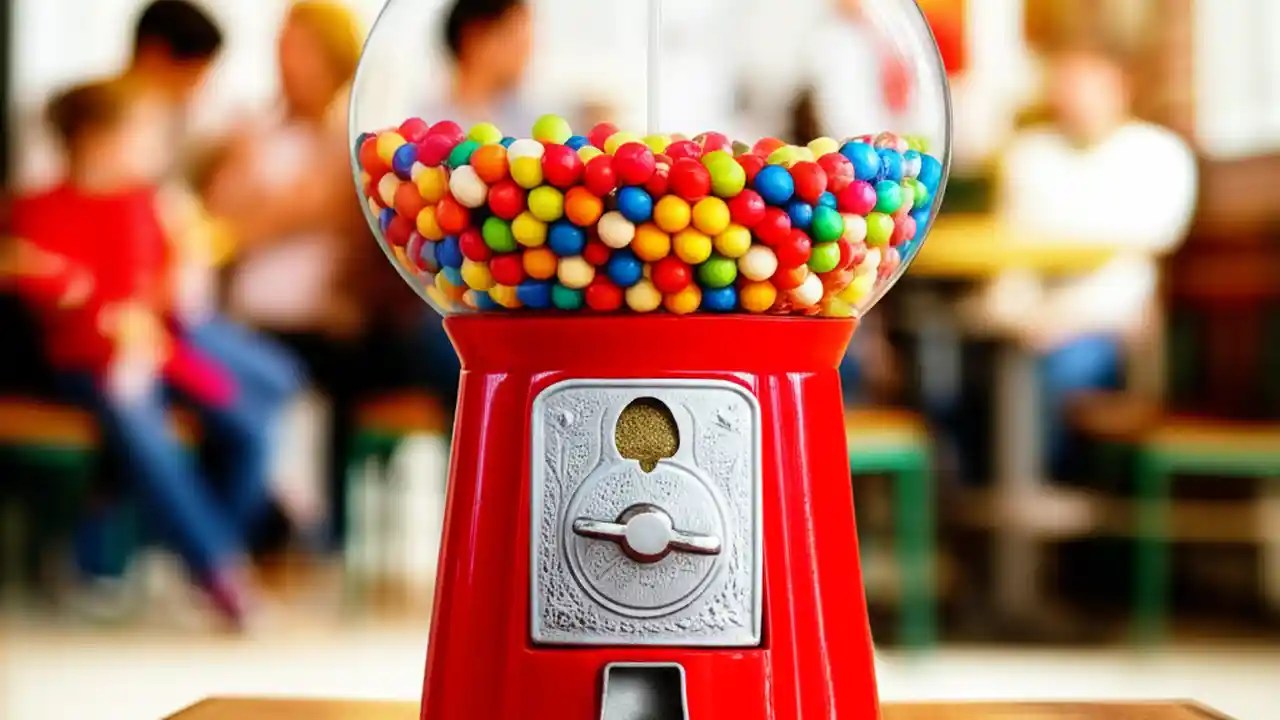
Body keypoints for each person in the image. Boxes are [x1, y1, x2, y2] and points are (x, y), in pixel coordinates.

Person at [11, 80, 290, 628]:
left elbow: (155, 291)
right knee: (142, 431)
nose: (149, 148)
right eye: (136, 134)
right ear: (94, 139)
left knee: (250, 424)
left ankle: (201, 550)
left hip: (156, 355)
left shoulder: (144, 203)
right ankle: (219, 572)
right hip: (86, 365)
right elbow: (55, 302)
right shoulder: (35, 209)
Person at [986, 37, 1197, 475]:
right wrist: (1011, 314)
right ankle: (988, 512)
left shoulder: (1157, 155)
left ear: (1120, 86)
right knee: (949, 371)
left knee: (1062, 374)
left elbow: (1135, 259)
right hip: (1026, 319)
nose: (1071, 93)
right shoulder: (1030, 153)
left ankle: (1050, 513)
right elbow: (1010, 251)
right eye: (1063, 81)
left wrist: (1060, 320)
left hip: (1109, 327)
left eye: (1084, 81)